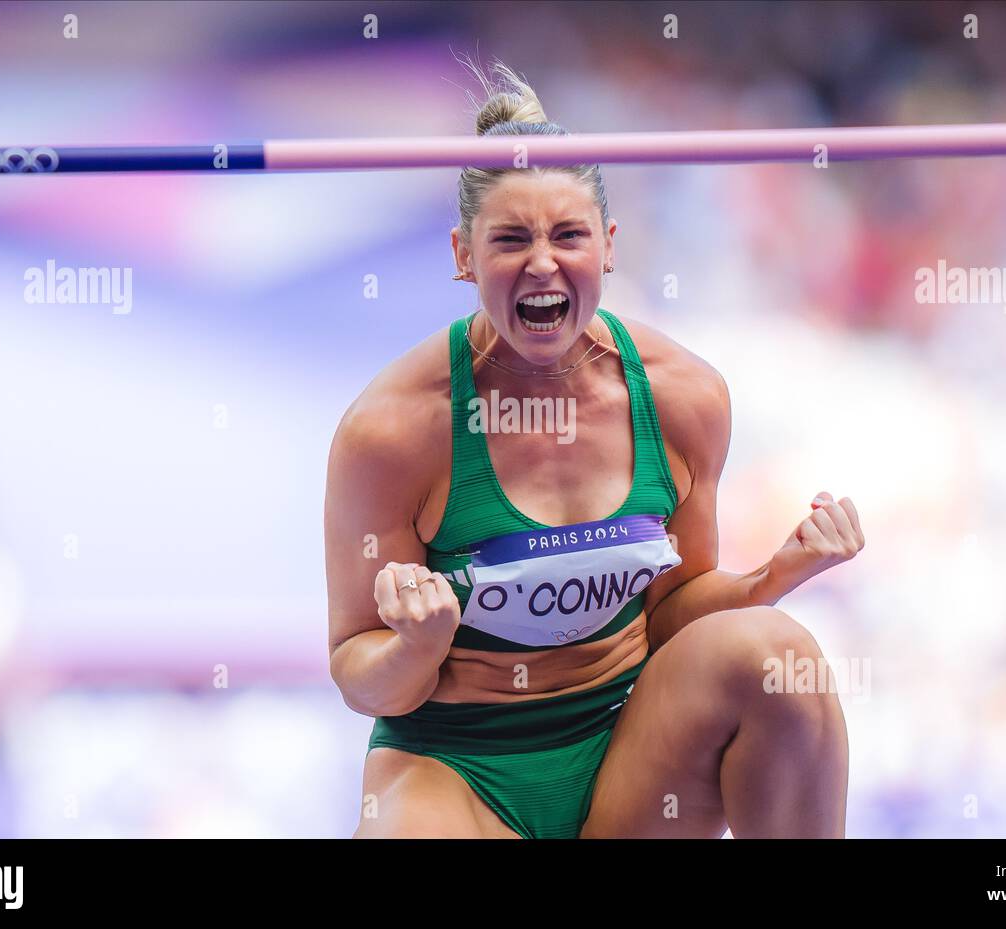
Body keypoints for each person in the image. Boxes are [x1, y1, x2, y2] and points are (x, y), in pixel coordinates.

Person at [324, 60, 863, 839]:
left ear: (608, 246)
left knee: (781, 658)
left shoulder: (683, 395)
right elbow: (359, 676)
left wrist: (778, 575)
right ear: (462, 255)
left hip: (631, 756)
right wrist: (417, 644)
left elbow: (676, 614)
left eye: (567, 235)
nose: (543, 263)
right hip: (457, 769)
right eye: (510, 239)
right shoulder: (392, 430)